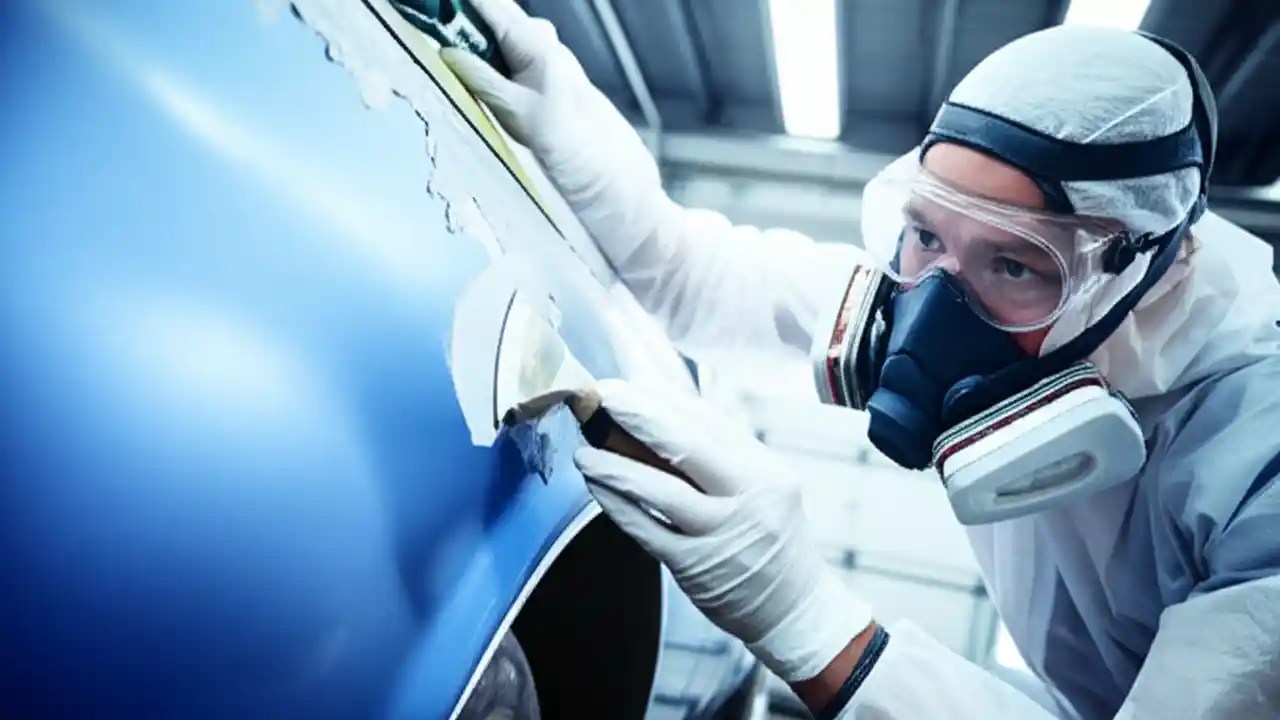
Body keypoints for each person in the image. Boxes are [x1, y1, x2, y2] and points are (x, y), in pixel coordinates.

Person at [444, 1, 1280, 717]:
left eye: (1016, 264)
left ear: (1148, 268)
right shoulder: (963, 298)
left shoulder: (1258, 466)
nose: (934, 315)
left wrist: (816, 627)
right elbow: (695, 277)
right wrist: (577, 134)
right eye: (925, 233)